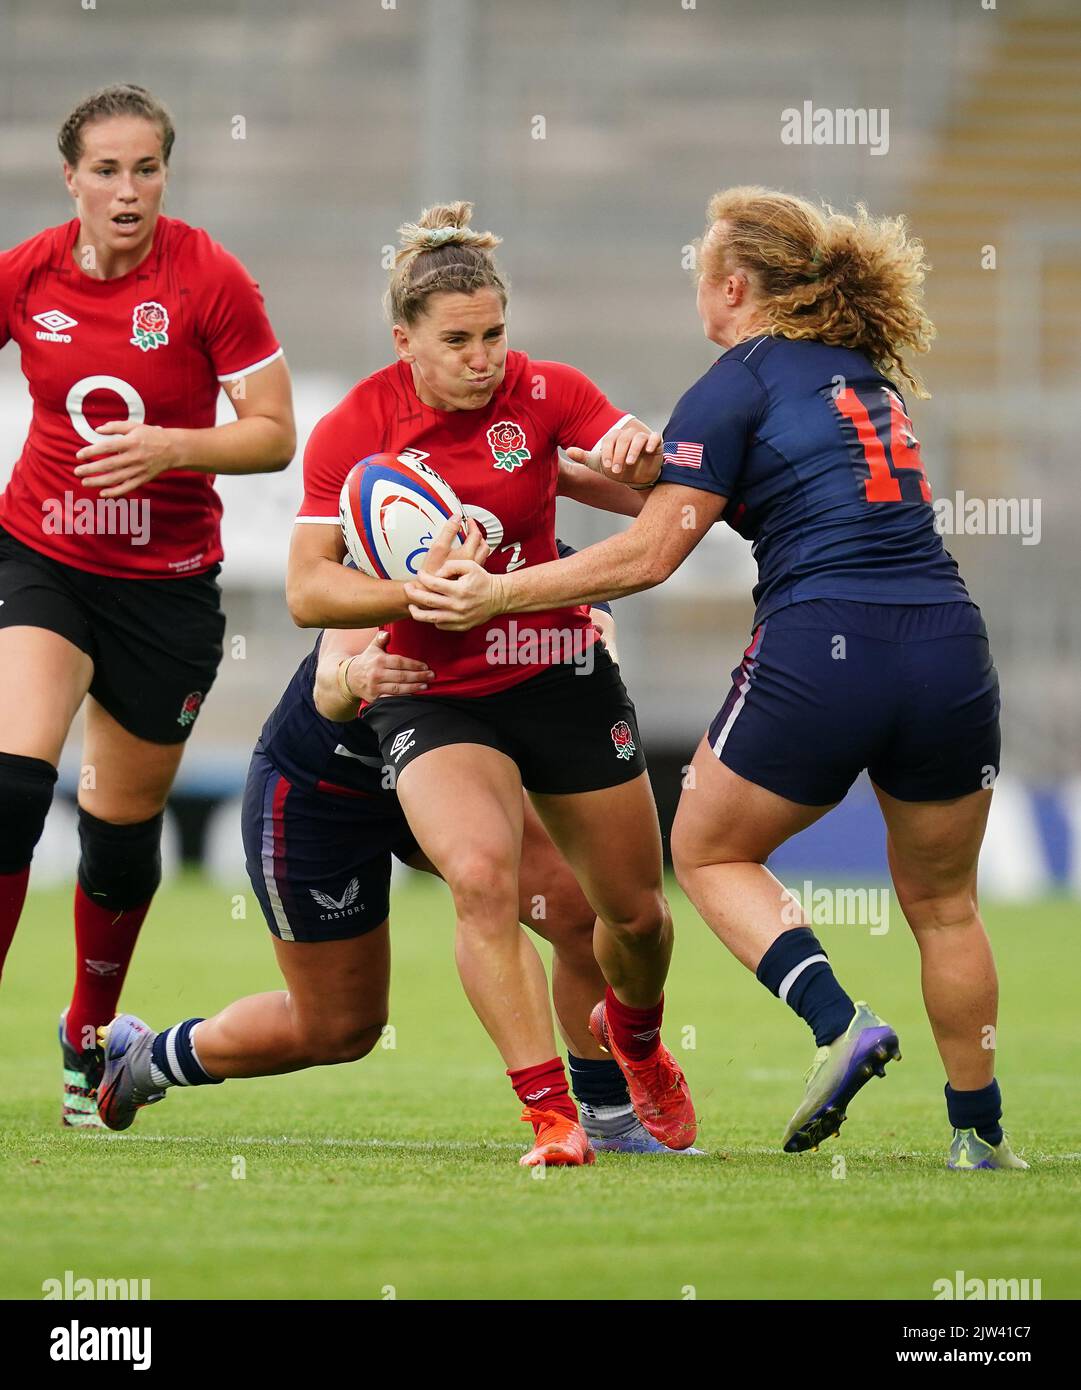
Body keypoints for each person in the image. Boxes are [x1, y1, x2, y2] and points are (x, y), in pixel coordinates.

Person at [407, 185, 1026, 1172]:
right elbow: (715, 503)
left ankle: (837, 1022)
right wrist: (552, 470)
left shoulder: (734, 379)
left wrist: (497, 593)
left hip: (826, 640)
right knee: (945, 905)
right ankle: (979, 1135)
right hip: (949, 645)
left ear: (731, 284)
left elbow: (655, 555)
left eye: (699, 260)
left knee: (703, 852)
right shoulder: (861, 378)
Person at [283, 201, 697, 1165]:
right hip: (434, 689)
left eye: (495, 335)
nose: (484, 358)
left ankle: (635, 1043)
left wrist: (639, 452)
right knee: (479, 879)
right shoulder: (355, 428)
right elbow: (308, 591)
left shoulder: (546, 391)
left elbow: (644, 479)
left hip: (556, 668)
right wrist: (415, 591)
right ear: (404, 340)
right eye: (458, 340)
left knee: (629, 917)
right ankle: (552, 1116)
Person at [96, 528, 694, 1160]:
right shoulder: (385, 569)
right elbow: (330, 688)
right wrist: (357, 674)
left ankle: (605, 1115)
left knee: (578, 915)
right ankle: (148, 1059)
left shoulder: (547, 559)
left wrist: (597, 654)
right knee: (340, 1030)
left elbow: (600, 639)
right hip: (323, 798)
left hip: (447, 777)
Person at [0, 84, 296, 1126]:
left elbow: (273, 433)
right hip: (43, 559)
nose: (127, 191)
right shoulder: (26, 273)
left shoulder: (209, 276)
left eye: (146, 170)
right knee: (10, 780)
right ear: (70, 178)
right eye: (107, 170)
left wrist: (176, 445)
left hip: (165, 592)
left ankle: (89, 1032)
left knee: (118, 833)